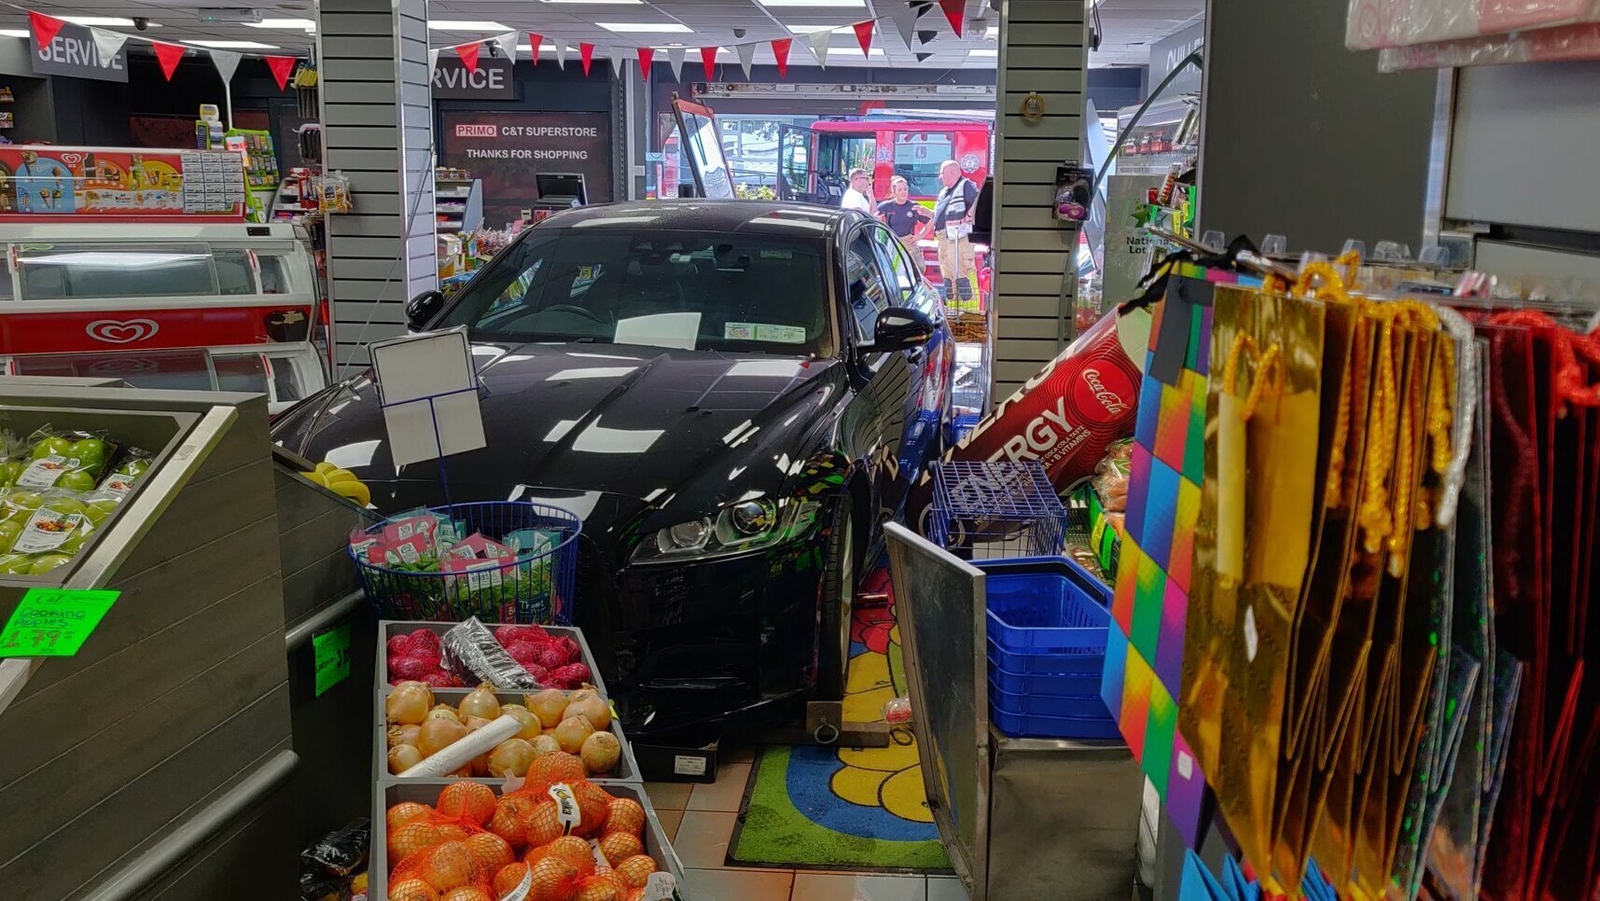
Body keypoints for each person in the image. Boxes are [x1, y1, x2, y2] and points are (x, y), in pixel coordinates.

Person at [932, 160, 979, 309]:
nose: (940, 177)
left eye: (942, 173)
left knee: (962, 274)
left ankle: (969, 312)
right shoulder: (944, 191)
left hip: (959, 239)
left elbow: (978, 199)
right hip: (944, 239)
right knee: (948, 276)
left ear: (952, 172)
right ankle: (953, 311)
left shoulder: (965, 185)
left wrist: (970, 214)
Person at [877, 176, 933, 247]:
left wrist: (920, 236)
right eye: (900, 190)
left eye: (905, 189)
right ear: (894, 192)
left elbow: (930, 221)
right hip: (892, 244)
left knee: (916, 258)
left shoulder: (914, 206)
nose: (903, 192)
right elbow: (873, 221)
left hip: (909, 244)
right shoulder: (885, 206)